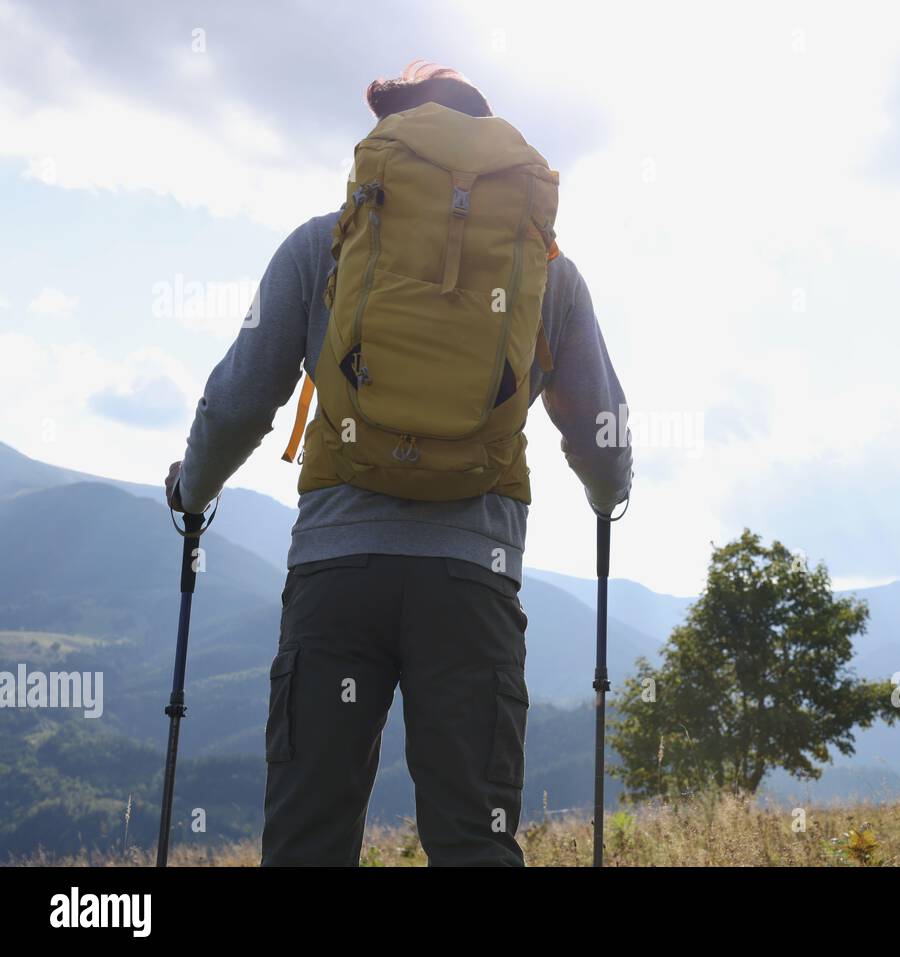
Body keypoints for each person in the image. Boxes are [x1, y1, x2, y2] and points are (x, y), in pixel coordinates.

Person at [164, 61, 632, 866]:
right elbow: (601, 432)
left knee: (309, 839)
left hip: (338, 572)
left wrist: (193, 488)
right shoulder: (544, 268)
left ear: (389, 140)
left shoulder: (323, 247)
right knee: (473, 842)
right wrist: (607, 497)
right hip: (472, 580)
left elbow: (240, 398)